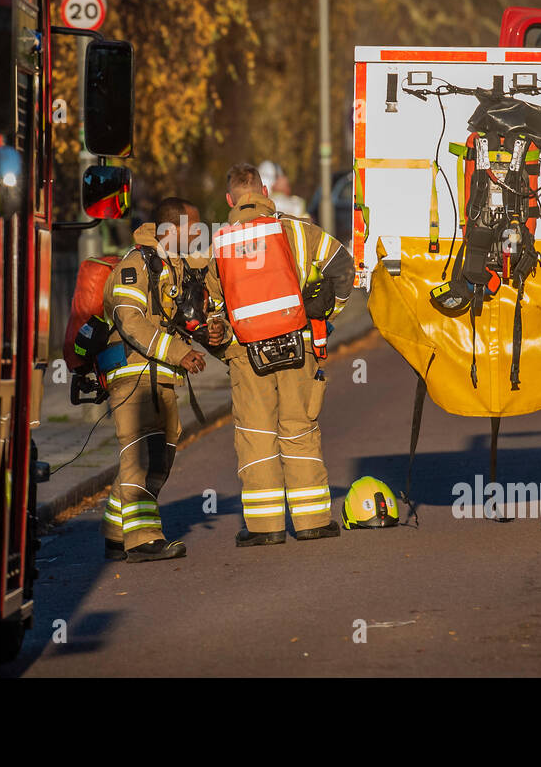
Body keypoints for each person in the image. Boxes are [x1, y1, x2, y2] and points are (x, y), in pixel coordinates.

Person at [212, 163, 354, 547]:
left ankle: (264, 528)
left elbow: (211, 307)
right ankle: (311, 522)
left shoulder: (219, 243)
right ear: (266, 191)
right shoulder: (295, 230)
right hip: (298, 345)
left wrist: (228, 348)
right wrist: (325, 314)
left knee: (256, 436)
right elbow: (343, 267)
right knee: (299, 429)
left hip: (247, 354)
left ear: (230, 200)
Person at [98, 197, 225, 563]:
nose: (199, 233)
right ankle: (143, 540)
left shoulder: (179, 267)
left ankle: (115, 531)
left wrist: (213, 330)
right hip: (133, 374)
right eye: (194, 227)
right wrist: (177, 352)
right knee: (143, 455)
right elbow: (129, 318)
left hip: (162, 377)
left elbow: (197, 310)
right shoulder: (135, 265)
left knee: (162, 455)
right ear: (171, 231)